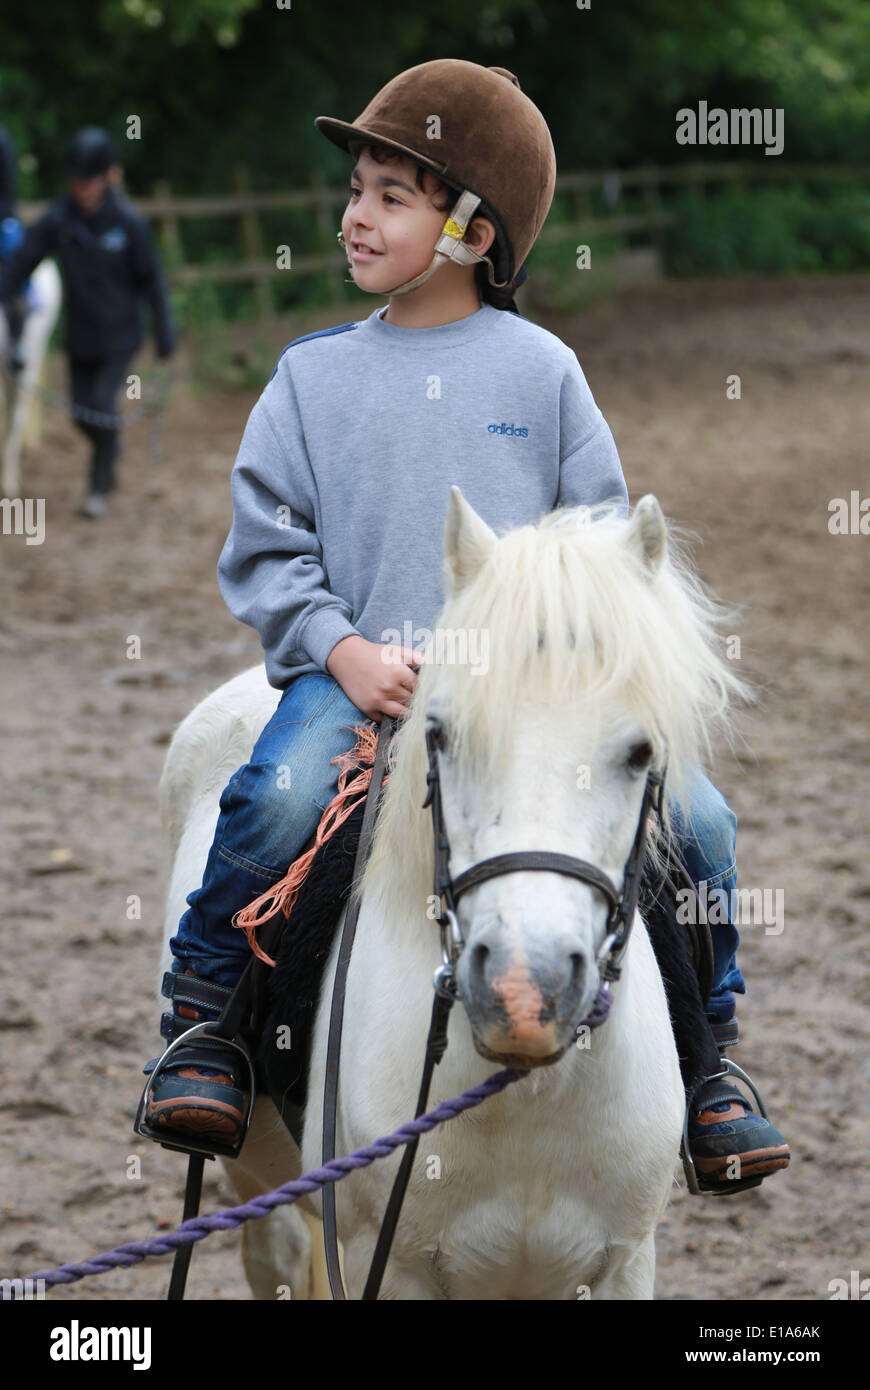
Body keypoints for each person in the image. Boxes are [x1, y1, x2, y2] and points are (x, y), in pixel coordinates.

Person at [142, 60, 789, 1194]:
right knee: (278, 796)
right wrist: (338, 645)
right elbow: (267, 544)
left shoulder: (545, 374)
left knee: (701, 823)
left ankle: (708, 1064)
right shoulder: (310, 379)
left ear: (473, 231)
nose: (356, 214)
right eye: (356, 188)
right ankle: (210, 1028)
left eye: (394, 194)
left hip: (529, 701)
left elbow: (602, 557)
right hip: (359, 676)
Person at [0, 126, 175, 517]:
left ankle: (98, 487)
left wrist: (165, 331)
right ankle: (108, 451)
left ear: (105, 178)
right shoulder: (59, 221)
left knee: (101, 404)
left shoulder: (128, 223)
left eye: (90, 181)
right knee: (82, 415)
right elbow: (23, 260)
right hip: (80, 337)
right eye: (77, 182)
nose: (83, 190)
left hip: (120, 336)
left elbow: (152, 280)